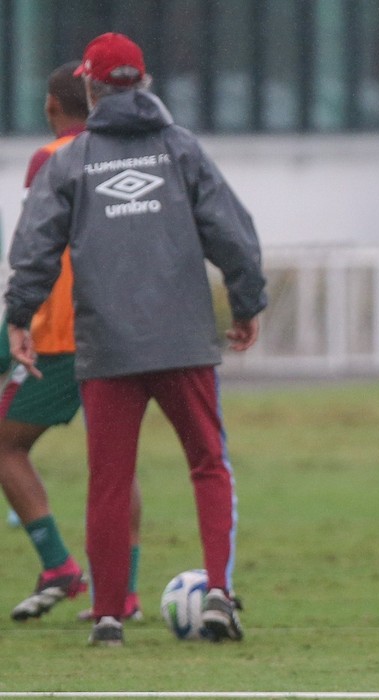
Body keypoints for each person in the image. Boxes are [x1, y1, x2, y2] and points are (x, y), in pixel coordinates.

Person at [5, 32, 267, 646]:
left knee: (110, 480)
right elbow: (231, 230)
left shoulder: (70, 161)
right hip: (184, 343)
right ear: (144, 83)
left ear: (92, 89)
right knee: (208, 467)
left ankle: (106, 617)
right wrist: (248, 301)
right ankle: (221, 599)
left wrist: (20, 315)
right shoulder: (181, 149)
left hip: (108, 348)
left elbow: (35, 245)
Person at [3, 61, 144, 624]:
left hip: (64, 332)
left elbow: (35, 244)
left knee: (5, 445)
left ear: (52, 107)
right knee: (117, 461)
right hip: (126, 330)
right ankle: (126, 594)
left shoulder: (53, 156)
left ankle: (59, 565)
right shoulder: (135, 154)